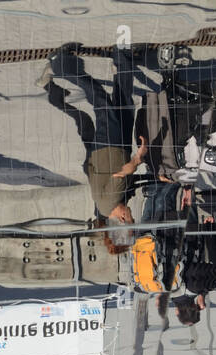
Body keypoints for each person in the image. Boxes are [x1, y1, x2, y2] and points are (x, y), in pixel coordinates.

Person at [38, 42, 150, 252]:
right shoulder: (105, 207)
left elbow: (121, 174)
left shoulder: (110, 202)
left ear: (125, 220)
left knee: (101, 100)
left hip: (109, 145)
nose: (132, 213)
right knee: (124, 103)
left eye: (132, 217)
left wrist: (138, 158)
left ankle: (60, 65)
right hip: (114, 148)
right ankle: (123, 57)